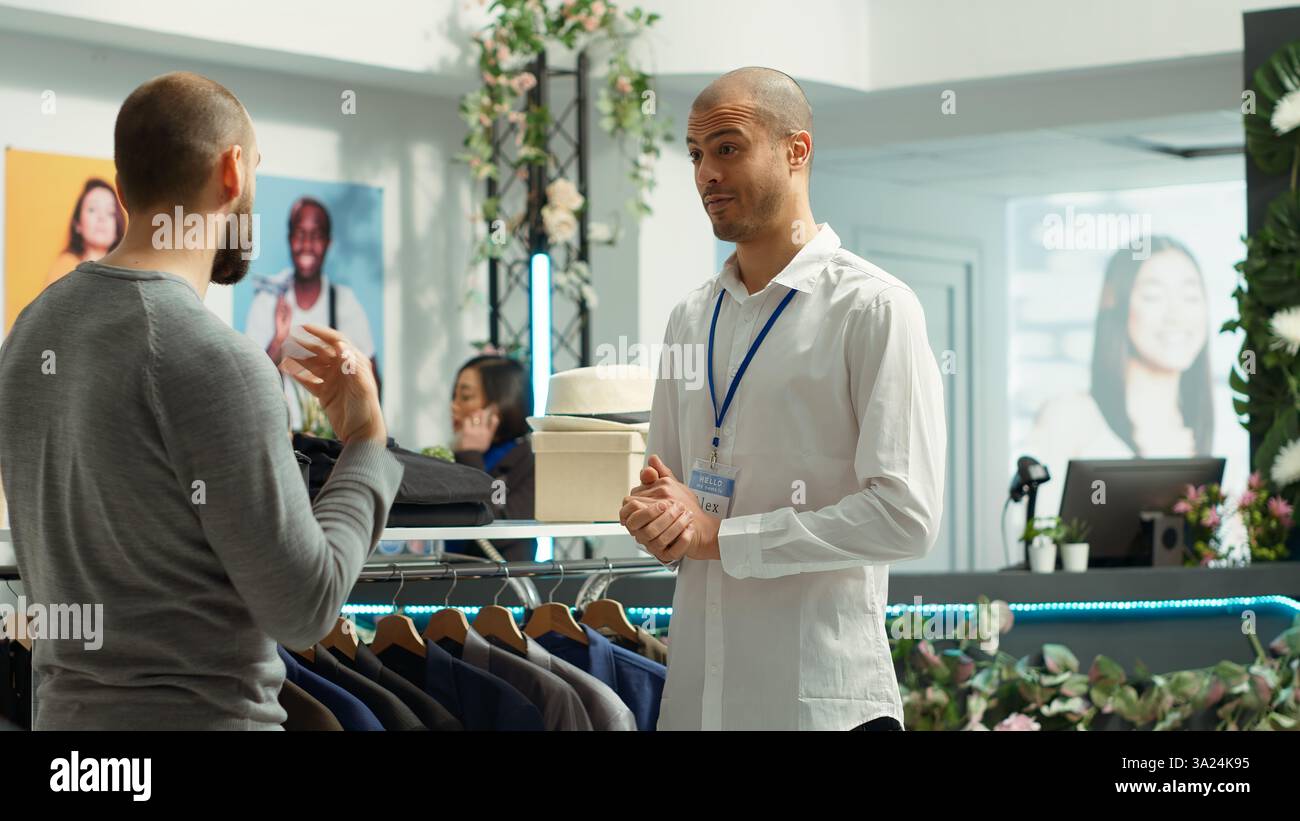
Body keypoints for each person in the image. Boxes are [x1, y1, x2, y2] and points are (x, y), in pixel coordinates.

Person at [0, 71, 403, 730]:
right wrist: (365, 442)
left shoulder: (27, 335)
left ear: (123, 184)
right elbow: (305, 608)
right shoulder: (215, 359)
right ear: (233, 170)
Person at [618, 67, 947, 731]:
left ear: (796, 151)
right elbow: (673, 495)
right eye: (695, 154)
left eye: (727, 147)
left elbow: (905, 513)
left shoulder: (874, 308)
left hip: (820, 705)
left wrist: (721, 536)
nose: (706, 172)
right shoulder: (690, 316)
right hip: (699, 704)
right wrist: (662, 521)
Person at [1024, 236, 1214, 516]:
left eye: (1190, 296)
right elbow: (1037, 539)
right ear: (1118, 305)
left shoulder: (1204, 431)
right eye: (1153, 296)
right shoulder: (1070, 418)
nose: (1176, 315)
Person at [244, 196, 381, 429]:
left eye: (316, 235)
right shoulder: (267, 302)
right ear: (289, 239)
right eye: (299, 233)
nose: (307, 244)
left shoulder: (345, 304)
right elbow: (248, 388)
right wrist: (278, 342)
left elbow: (374, 386)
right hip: (281, 440)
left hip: (331, 445)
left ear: (327, 242)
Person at [446, 354, 537, 562]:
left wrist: (470, 455)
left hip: (503, 585)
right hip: (450, 579)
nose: (454, 405)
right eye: (454, 396)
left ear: (498, 407)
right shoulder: (452, 455)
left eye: (465, 397)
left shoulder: (531, 461)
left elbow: (497, 530)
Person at [44, 177, 126, 286]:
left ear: (117, 228)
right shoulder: (65, 268)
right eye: (92, 209)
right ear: (77, 224)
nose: (102, 217)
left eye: (110, 212)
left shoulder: (127, 270)